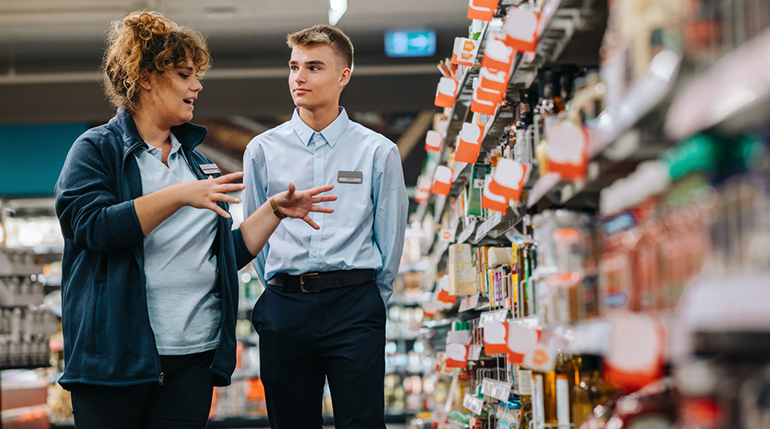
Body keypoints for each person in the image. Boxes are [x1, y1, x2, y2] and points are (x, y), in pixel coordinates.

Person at [54, 12, 335, 429]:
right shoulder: (98, 149)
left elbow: (222, 255)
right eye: (185, 74)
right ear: (146, 77)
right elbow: (91, 228)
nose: (197, 86)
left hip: (192, 357)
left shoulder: (197, 164)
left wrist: (274, 210)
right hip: (115, 358)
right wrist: (179, 195)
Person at [242, 25, 408, 429]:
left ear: (343, 76)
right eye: (294, 66)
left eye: (314, 67)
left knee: (362, 422)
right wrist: (280, 290)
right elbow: (254, 237)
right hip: (285, 307)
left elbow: (390, 239)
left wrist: (370, 301)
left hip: (354, 305)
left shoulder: (377, 152)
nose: (299, 77)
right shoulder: (262, 151)